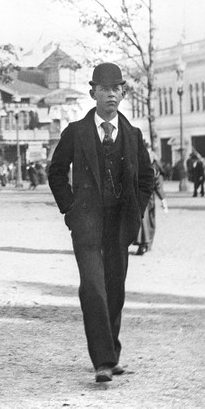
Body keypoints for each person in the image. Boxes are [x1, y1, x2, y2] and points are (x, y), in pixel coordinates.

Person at [47, 62, 154, 383]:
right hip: (86, 224)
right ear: (93, 92)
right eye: (104, 89)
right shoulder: (76, 132)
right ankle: (103, 361)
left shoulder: (133, 136)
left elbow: (147, 178)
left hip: (120, 224)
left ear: (123, 94)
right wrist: (70, 209)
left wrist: (136, 211)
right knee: (93, 289)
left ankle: (112, 353)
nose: (111, 94)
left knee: (115, 289)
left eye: (117, 88)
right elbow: (55, 172)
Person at [134, 151, 168, 255]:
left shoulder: (140, 168)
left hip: (142, 199)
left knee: (144, 222)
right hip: (147, 199)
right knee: (149, 221)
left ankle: (143, 245)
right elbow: (158, 186)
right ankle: (146, 244)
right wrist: (163, 200)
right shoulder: (152, 170)